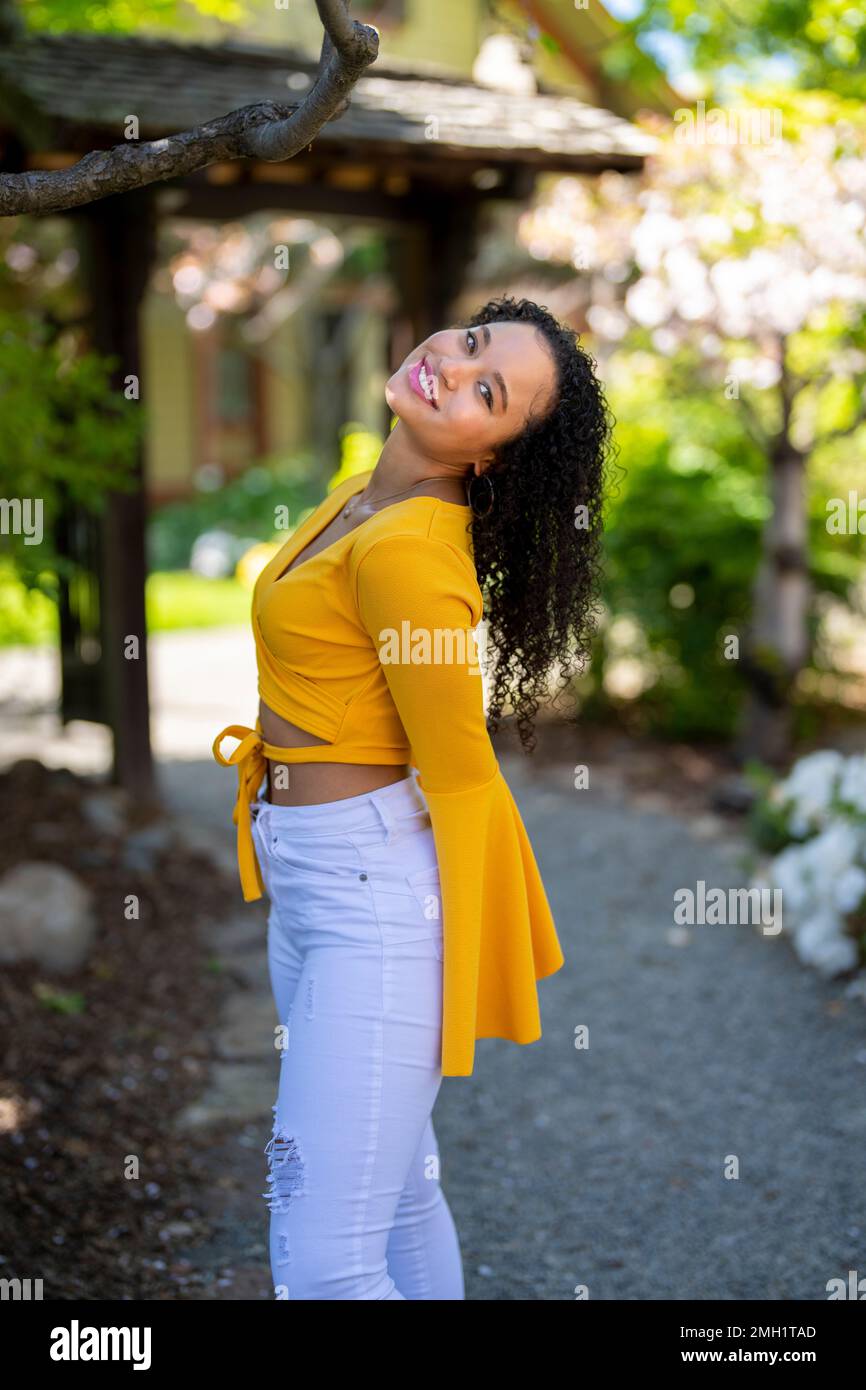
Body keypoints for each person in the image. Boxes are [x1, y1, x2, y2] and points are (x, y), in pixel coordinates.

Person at [213, 293, 613, 1299]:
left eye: (488, 392)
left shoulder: (408, 554)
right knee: (387, 1202)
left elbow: (460, 771)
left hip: (370, 901)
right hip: (316, 876)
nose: (453, 366)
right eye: (472, 344)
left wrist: (494, 942)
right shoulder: (365, 492)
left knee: (320, 1260)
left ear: (491, 458)